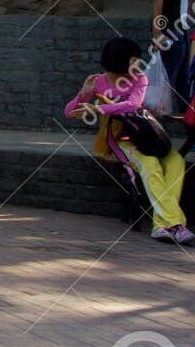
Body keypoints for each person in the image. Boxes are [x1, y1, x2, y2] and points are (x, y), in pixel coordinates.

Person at [65, 37, 192, 244]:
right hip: (119, 140)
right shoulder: (98, 82)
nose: (137, 64)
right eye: (132, 60)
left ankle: (161, 225)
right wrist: (84, 94)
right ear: (119, 60)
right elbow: (69, 112)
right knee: (150, 165)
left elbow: (132, 105)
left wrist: (99, 108)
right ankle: (173, 224)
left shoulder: (139, 78)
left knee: (176, 161)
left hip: (145, 136)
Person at [151, 0, 195, 124]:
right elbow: (158, 2)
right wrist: (157, 34)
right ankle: (159, 128)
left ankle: (189, 126)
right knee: (168, 82)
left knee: (183, 82)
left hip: (181, 31)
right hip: (170, 34)